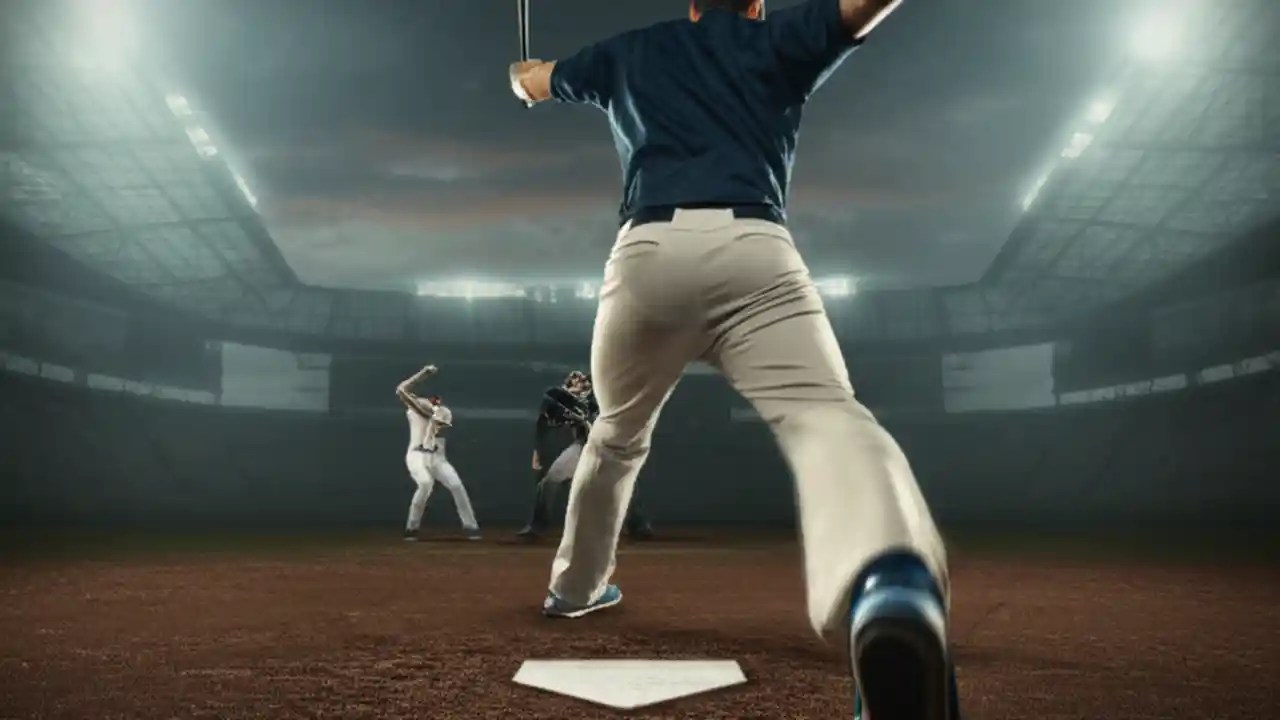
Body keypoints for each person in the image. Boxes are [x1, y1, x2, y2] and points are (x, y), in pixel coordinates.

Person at [508, 0, 959, 717]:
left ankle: (574, 590)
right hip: (755, 252)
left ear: (690, 3)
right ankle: (889, 583)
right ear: (756, 2)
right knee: (826, 418)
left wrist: (525, 80)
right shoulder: (774, 36)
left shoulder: (632, 50)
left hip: (646, 259)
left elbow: (537, 83)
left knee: (615, 438)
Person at [518, 371, 654, 541]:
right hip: (583, 446)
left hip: (608, 448)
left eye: (582, 379)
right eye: (574, 379)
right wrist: (537, 452)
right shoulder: (562, 400)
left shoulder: (602, 396)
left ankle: (638, 525)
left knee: (624, 481)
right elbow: (544, 422)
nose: (579, 380)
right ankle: (536, 527)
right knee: (549, 481)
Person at [396, 365, 482, 541]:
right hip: (416, 455)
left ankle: (470, 526)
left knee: (457, 485)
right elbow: (401, 390)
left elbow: (432, 419)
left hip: (437, 456)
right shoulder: (417, 403)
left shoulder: (445, 412)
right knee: (425, 484)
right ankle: (411, 528)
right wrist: (422, 374)